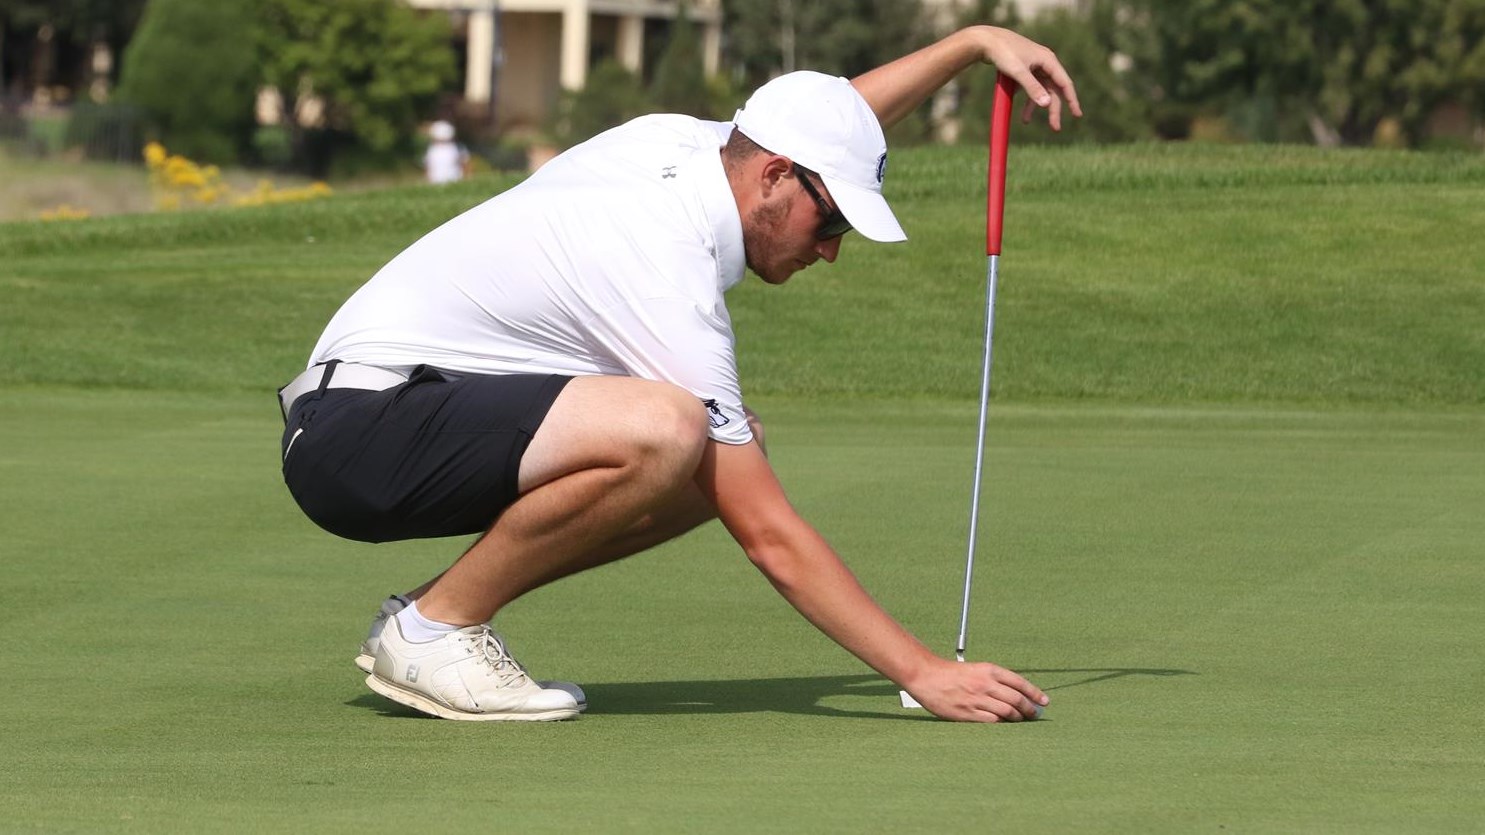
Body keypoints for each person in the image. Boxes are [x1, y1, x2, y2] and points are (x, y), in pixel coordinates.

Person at [278, 25, 1080, 723]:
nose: (831, 247)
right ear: (772, 178)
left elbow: (826, 121)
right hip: (358, 432)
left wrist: (969, 47)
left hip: (392, 410)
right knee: (671, 431)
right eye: (830, 219)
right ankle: (437, 626)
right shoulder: (663, 263)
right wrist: (922, 672)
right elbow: (768, 534)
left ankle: (429, 620)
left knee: (720, 443)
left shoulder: (689, 148)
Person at [423, 120, 470, 184]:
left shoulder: (457, 147)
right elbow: (428, 166)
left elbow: (464, 164)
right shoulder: (432, 149)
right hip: (435, 181)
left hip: (454, 180)